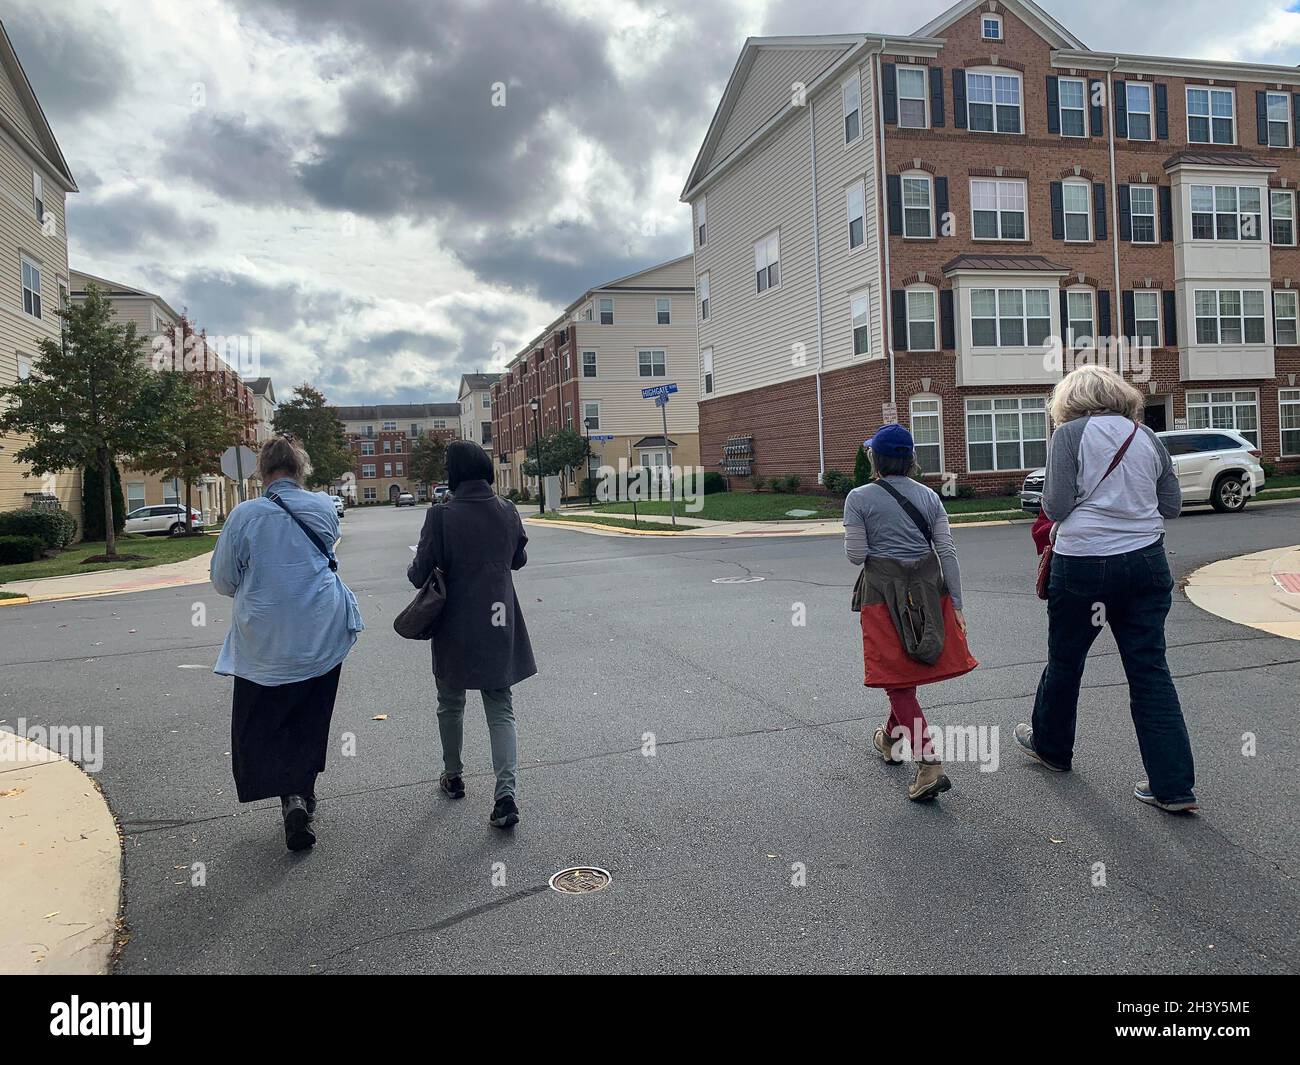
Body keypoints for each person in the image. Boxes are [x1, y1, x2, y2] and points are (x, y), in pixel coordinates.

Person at [1014, 364, 1195, 813]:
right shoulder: (1147, 436)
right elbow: (1171, 505)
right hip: (1147, 563)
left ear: (1069, 402)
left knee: (1066, 659)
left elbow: (1054, 505)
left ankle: (1052, 748)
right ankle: (1173, 787)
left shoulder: (1069, 436)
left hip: (1084, 565)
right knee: (1150, 670)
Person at [210, 436, 364, 851]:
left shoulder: (244, 516)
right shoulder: (323, 507)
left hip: (265, 640)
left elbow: (223, 579)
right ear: (300, 469)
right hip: (320, 628)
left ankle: (291, 796)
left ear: (262, 471)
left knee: (265, 721)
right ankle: (302, 791)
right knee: (311, 716)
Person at [844, 423, 977, 801]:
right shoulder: (930, 498)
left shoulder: (859, 498)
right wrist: (958, 605)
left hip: (882, 593)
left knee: (896, 677)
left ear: (875, 458)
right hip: (928, 590)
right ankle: (890, 738)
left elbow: (855, 555)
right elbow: (947, 552)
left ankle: (928, 762)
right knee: (904, 670)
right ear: (911, 459)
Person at [408, 440, 535, 829]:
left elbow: (418, 575)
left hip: (454, 622)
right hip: (499, 617)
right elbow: (518, 559)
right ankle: (506, 795)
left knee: (450, 700)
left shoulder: (440, 516)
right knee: (500, 705)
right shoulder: (507, 511)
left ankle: (454, 775)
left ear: (454, 474)